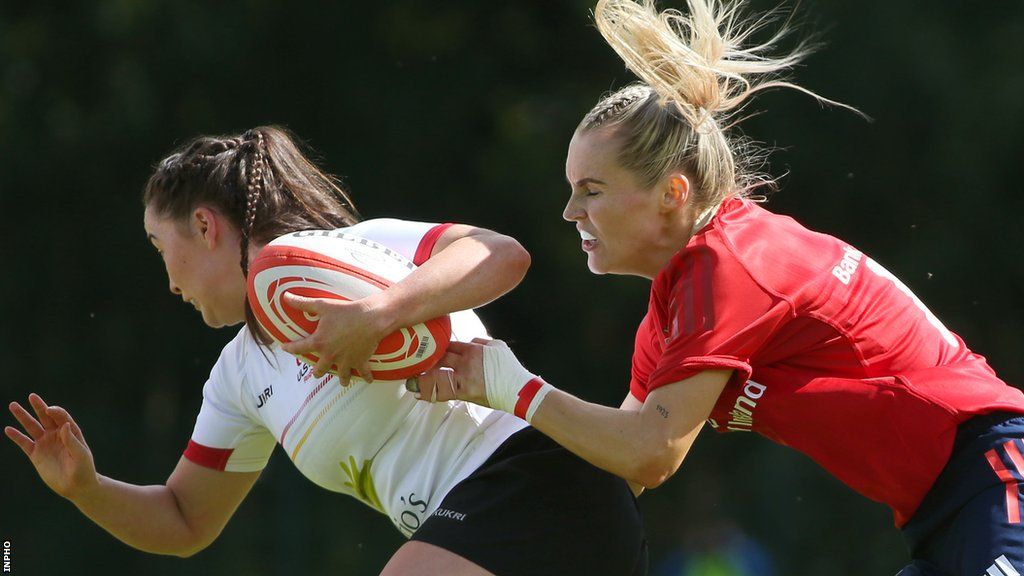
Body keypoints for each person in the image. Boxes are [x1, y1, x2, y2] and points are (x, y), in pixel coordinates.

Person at [397, 1, 1024, 574]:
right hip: (946, 513)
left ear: (673, 194)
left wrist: (517, 388)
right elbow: (619, 467)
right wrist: (467, 454)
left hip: (995, 475)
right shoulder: (678, 303)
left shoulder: (729, 265)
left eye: (591, 190)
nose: (570, 213)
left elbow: (651, 453)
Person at [4, 126, 649, 576]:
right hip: (489, 529)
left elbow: (502, 255)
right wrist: (85, 489)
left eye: (158, 246)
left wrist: (375, 316)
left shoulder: (361, 248)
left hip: (536, 480)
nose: (167, 280)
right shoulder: (236, 377)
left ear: (204, 226)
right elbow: (183, 520)